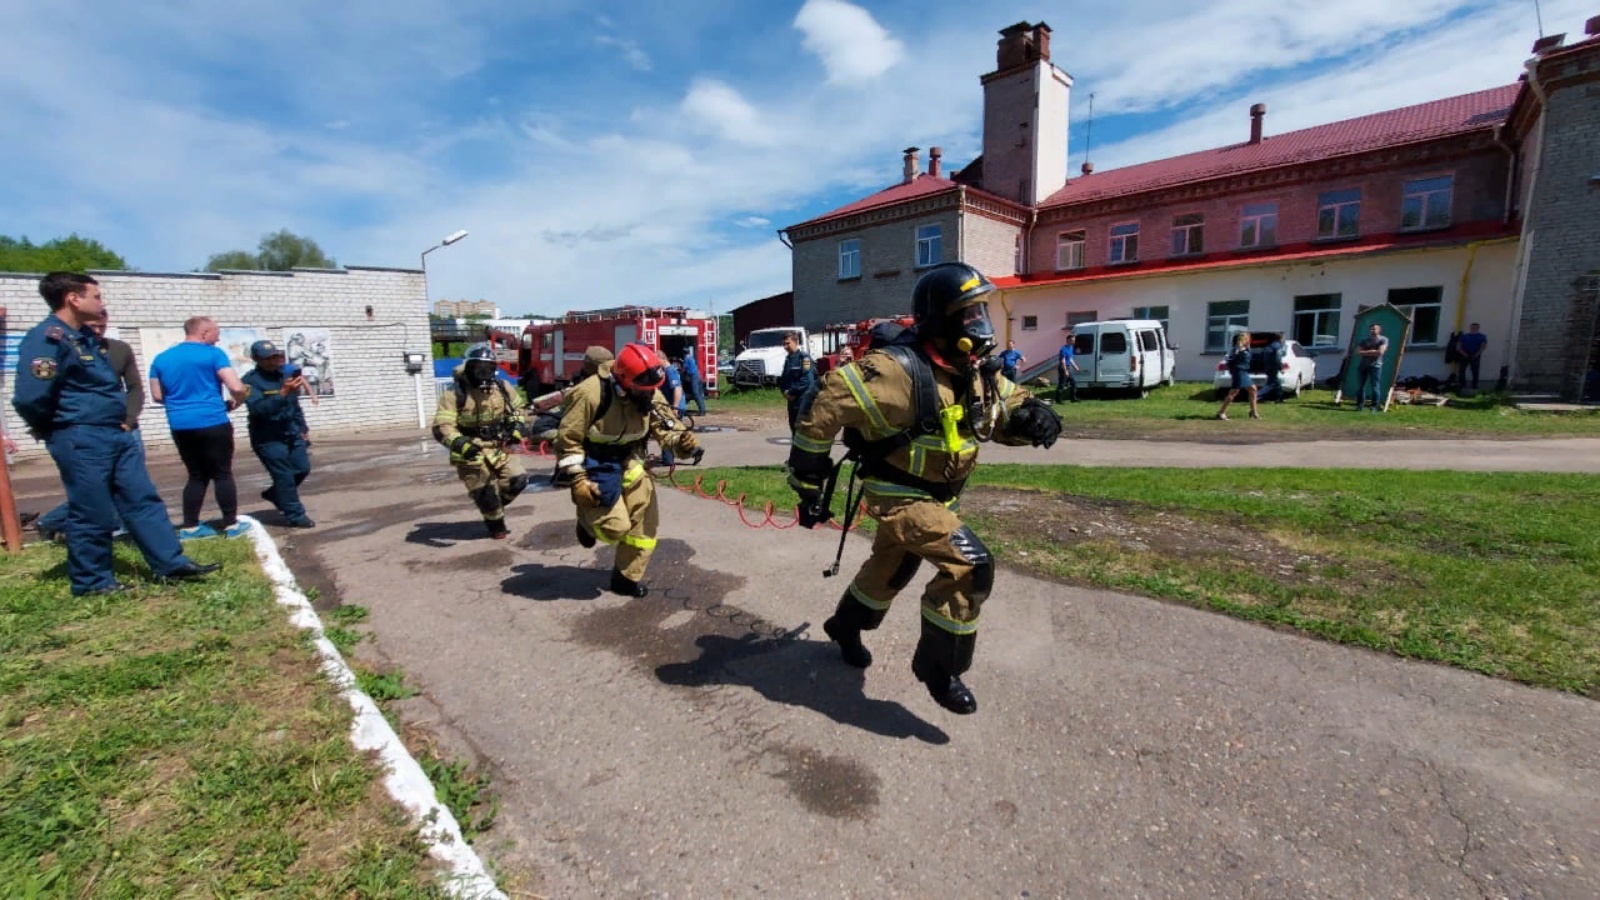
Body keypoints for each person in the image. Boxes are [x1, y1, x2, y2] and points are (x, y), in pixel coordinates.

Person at [787, 262, 1063, 715]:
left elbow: (1006, 401)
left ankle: (844, 625)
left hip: (941, 495)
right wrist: (808, 483)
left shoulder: (971, 367)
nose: (980, 325)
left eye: (981, 314)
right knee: (970, 566)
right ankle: (940, 669)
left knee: (891, 570)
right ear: (940, 320)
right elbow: (825, 399)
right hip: (897, 495)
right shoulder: (891, 371)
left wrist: (1035, 413)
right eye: (968, 316)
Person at [12, 272, 219, 595]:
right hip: (80, 436)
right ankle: (92, 581)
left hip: (114, 434)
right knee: (92, 509)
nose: (102, 302)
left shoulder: (84, 338)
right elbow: (29, 397)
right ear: (73, 299)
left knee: (142, 499)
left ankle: (170, 563)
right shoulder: (47, 339)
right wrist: (55, 429)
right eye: (96, 296)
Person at [556, 343, 701, 597]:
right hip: (597, 461)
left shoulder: (648, 391)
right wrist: (578, 480)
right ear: (623, 380)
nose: (649, 395)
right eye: (642, 389)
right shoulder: (589, 394)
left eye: (652, 388)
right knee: (614, 528)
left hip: (631, 458)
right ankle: (587, 522)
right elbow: (568, 439)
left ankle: (626, 577)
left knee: (645, 524)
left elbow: (668, 426)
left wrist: (683, 443)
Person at [34, 308, 139, 541]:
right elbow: (42, 390)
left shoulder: (119, 349)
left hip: (122, 425)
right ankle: (53, 522)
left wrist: (129, 420)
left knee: (129, 486)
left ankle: (124, 530)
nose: (99, 331)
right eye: (94, 327)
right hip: (85, 427)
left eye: (103, 326)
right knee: (95, 487)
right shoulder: (67, 347)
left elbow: (134, 388)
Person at [149, 316, 252, 538]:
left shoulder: (161, 359)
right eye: (216, 332)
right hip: (212, 420)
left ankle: (190, 526)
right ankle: (232, 525)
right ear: (204, 332)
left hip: (180, 424)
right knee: (222, 473)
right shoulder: (214, 354)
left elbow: (157, 396)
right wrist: (238, 400)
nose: (218, 337)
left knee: (196, 475)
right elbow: (236, 386)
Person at [432, 342, 530, 540]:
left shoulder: (502, 387)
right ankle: (494, 522)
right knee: (486, 495)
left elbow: (519, 410)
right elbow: (442, 426)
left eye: (489, 368)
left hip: (498, 445)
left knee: (518, 480)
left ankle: (495, 505)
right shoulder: (454, 393)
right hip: (470, 450)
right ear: (469, 368)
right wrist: (460, 444)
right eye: (479, 368)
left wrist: (517, 427)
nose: (484, 373)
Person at [241, 341, 315, 528]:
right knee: (284, 476)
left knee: (302, 468)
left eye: (277, 356)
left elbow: (294, 406)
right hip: (268, 437)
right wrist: (281, 394)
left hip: (290, 431)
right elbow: (258, 409)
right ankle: (295, 515)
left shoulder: (285, 375)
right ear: (257, 359)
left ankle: (275, 494)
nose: (275, 361)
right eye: (270, 358)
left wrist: (303, 429)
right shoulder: (250, 381)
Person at [1216, 331, 1260, 420]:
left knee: (1253, 389)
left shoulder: (1246, 348)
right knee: (1234, 392)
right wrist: (1239, 350)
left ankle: (1253, 412)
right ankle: (1221, 412)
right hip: (1239, 371)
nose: (1249, 340)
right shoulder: (1237, 349)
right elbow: (1230, 359)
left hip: (1244, 371)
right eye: (1248, 338)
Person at [778, 333, 815, 431]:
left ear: (796, 342)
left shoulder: (805, 358)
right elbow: (783, 380)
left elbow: (807, 380)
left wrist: (791, 391)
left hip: (803, 401)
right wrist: (784, 392)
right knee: (794, 429)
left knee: (803, 431)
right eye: (784, 344)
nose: (785, 347)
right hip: (792, 402)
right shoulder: (788, 360)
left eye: (788, 343)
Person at [1354, 323, 1390, 413]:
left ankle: (1374, 406)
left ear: (1379, 330)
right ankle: (1360, 405)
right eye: (1371, 329)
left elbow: (1381, 352)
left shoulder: (1383, 339)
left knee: (1375, 387)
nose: (1372, 331)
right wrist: (1373, 351)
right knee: (1360, 386)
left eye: (1374, 329)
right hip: (1363, 366)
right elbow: (1358, 352)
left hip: (1376, 366)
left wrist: (1365, 352)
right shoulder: (1364, 341)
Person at [660, 357, 687, 466]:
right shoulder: (665, 371)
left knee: (668, 432)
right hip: (669, 407)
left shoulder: (670, 371)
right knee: (672, 432)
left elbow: (677, 389)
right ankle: (667, 458)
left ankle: (668, 460)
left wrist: (675, 407)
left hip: (674, 408)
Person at [1457, 322, 1488, 391]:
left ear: (1478, 328)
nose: (1473, 328)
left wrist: (1476, 354)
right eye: (1472, 327)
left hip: (1475, 354)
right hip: (1464, 354)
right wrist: (1465, 354)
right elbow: (1458, 347)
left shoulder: (1482, 336)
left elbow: (1483, 347)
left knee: (1475, 371)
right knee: (1461, 370)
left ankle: (1474, 385)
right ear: (1470, 328)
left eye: (1475, 327)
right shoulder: (1464, 336)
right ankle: (1462, 385)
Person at [1258, 334, 1285, 404]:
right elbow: (1277, 358)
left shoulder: (1269, 346)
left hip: (1267, 366)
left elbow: (1261, 355)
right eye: (1283, 338)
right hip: (1273, 367)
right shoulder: (1278, 346)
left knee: (1277, 383)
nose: (1284, 340)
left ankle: (1279, 398)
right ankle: (1257, 395)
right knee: (1271, 384)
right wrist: (1280, 367)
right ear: (1280, 339)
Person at [1056, 328, 1079, 403]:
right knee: (1062, 385)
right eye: (1073, 340)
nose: (1074, 341)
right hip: (1063, 368)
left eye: (1074, 340)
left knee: (1074, 383)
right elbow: (1063, 361)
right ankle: (1058, 400)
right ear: (1068, 340)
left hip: (1068, 367)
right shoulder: (1063, 349)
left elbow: (1070, 358)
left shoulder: (1071, 348)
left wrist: (1075, 366)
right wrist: (1065, 370)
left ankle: (1073, 398)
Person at [682, 349, 707, 416]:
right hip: (698, 376)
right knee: (697, 393)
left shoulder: (686, 358)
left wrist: (680, 373)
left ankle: (702, 411)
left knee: (696, 393)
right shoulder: (691, 357)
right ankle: (702, 410)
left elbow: (684, 368)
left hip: (694, 377)